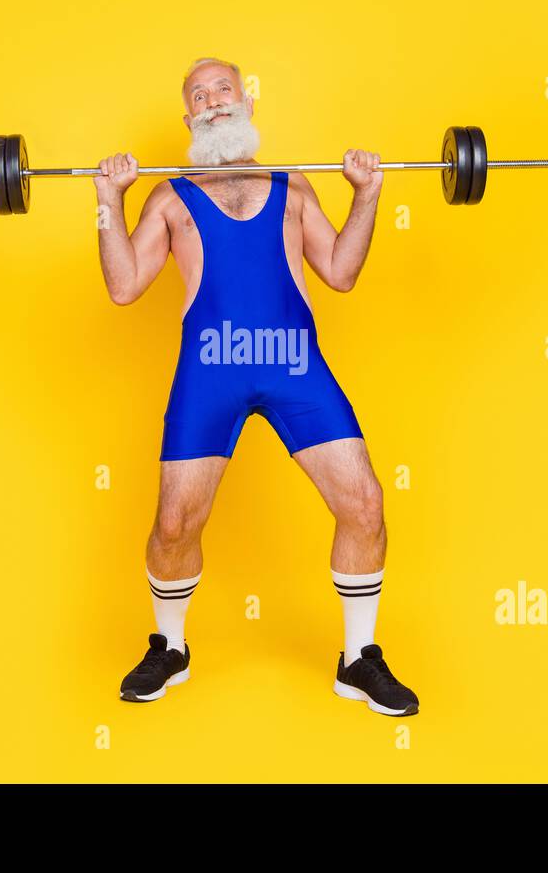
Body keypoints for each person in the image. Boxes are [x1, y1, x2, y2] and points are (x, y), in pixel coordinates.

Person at [94, 57, 418, 716]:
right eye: (199, 96)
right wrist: (108, 202)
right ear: (188, 119)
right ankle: (170, 647)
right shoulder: (169, 198)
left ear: (246, 102)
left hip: (294, 364)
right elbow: (124, 287)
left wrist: (368, 195)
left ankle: (358, 659)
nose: (213, 102)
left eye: (223, 90)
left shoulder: (295, 187)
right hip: (209, 368)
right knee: (174, 522)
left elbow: (341, 272)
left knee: (364, 502)